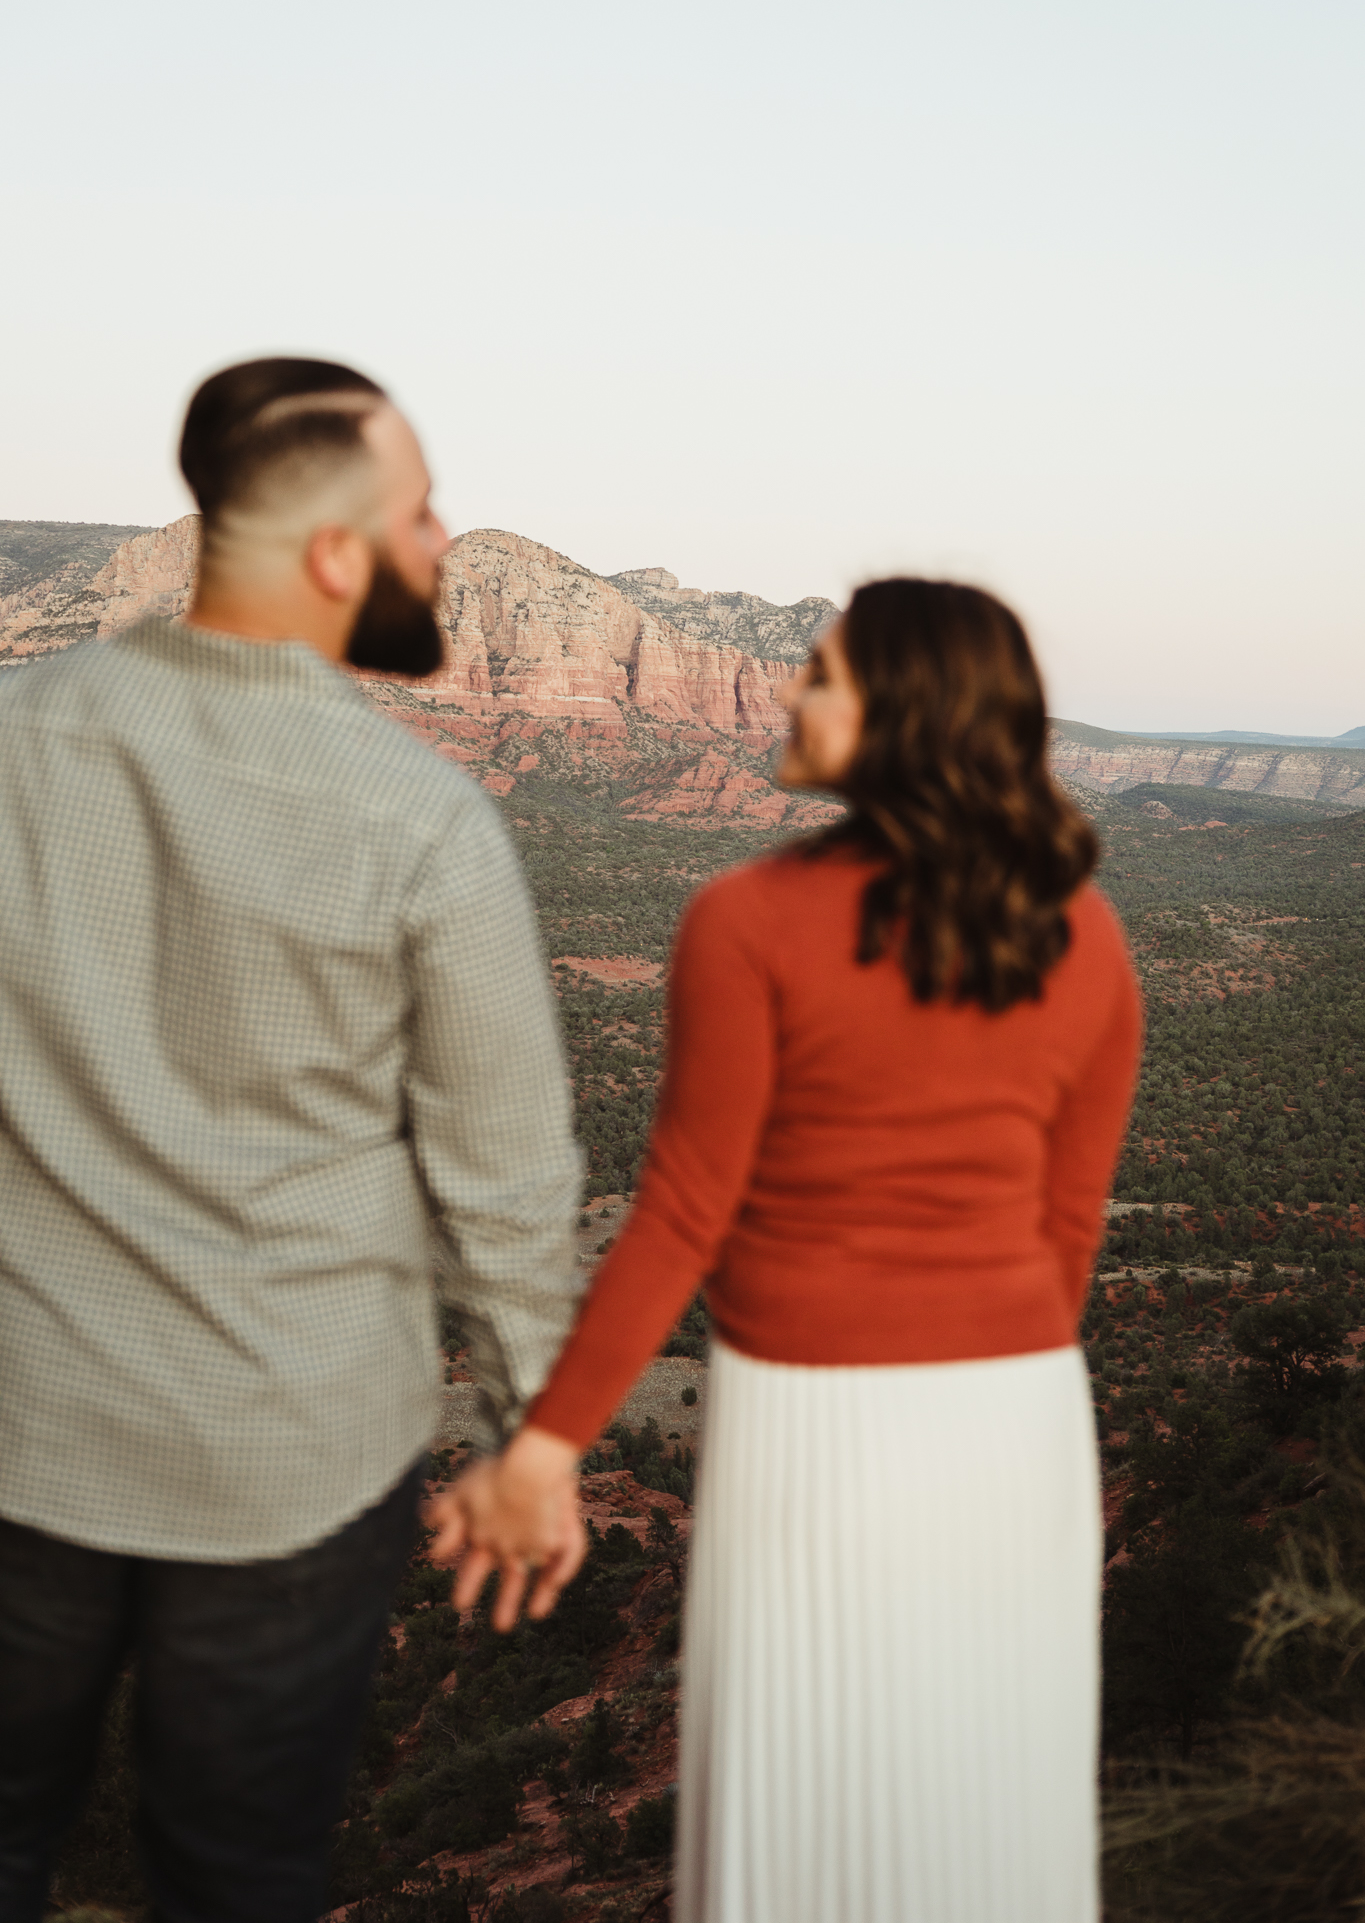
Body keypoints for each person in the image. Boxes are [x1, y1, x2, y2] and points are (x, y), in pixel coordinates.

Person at [440, 579, 1142, 1923]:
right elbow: (1067, 1234)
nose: (785, 691)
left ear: (900, 718)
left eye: (819, 674)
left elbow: (683, 1211)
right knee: (984, 1807)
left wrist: (546, 1445)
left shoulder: (747, 919)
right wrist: (970, 1358)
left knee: (797, 1799)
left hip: (809, 1424)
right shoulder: (1084, 933)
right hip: (1017, 1426)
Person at [0, 357, 586, 1923]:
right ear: (339, 554)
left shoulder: (13, 737)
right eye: (420, 510)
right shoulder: (419, 822)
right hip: (290, 1461)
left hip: (21, 1426)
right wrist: (533, 1436)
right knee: (241, 1877)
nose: (444, 539)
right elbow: (510, 1182)